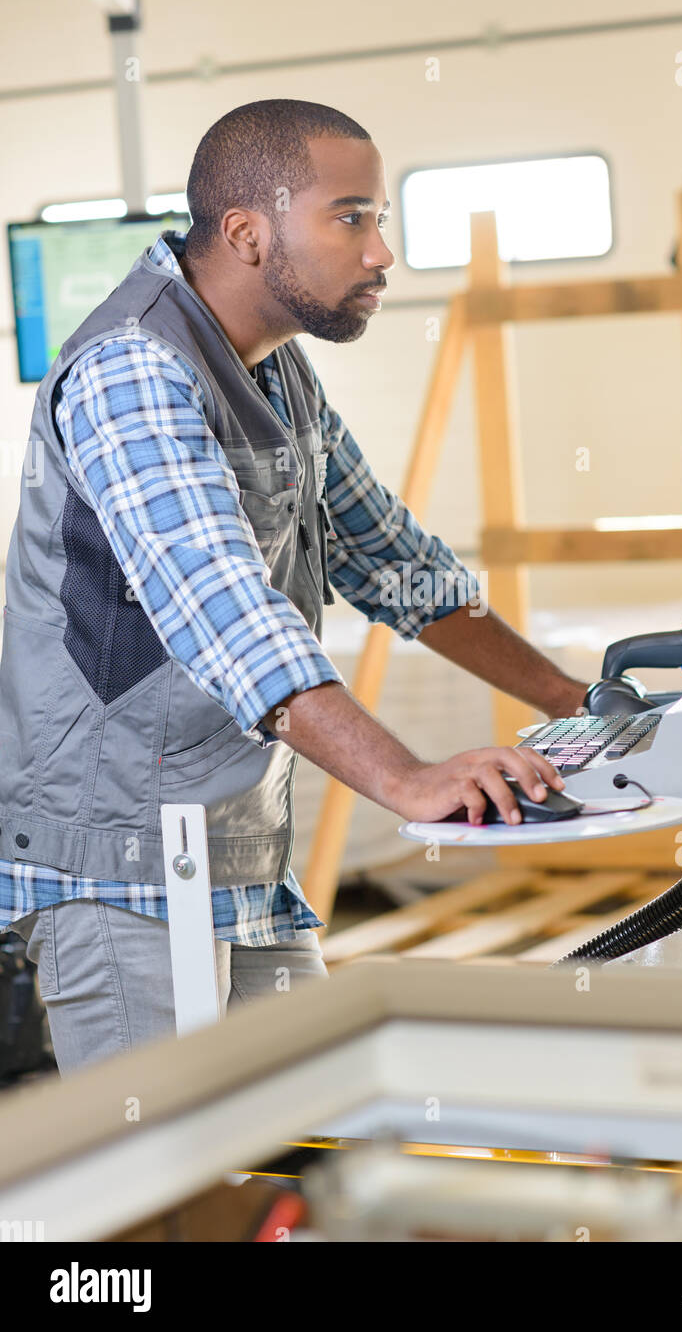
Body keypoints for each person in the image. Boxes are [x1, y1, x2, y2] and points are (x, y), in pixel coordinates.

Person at [0, 99, 589, 1075]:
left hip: (235, 853)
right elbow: (226, 613)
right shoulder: (133, 369)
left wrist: (574, 702)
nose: (382, 253)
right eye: (351, 216)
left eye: (381, 218)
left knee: (314, 1137)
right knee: (169, 1191)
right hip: (125, 873)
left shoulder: (276, 369)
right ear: (247, 232)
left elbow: (391, 559)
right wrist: (406, 778)